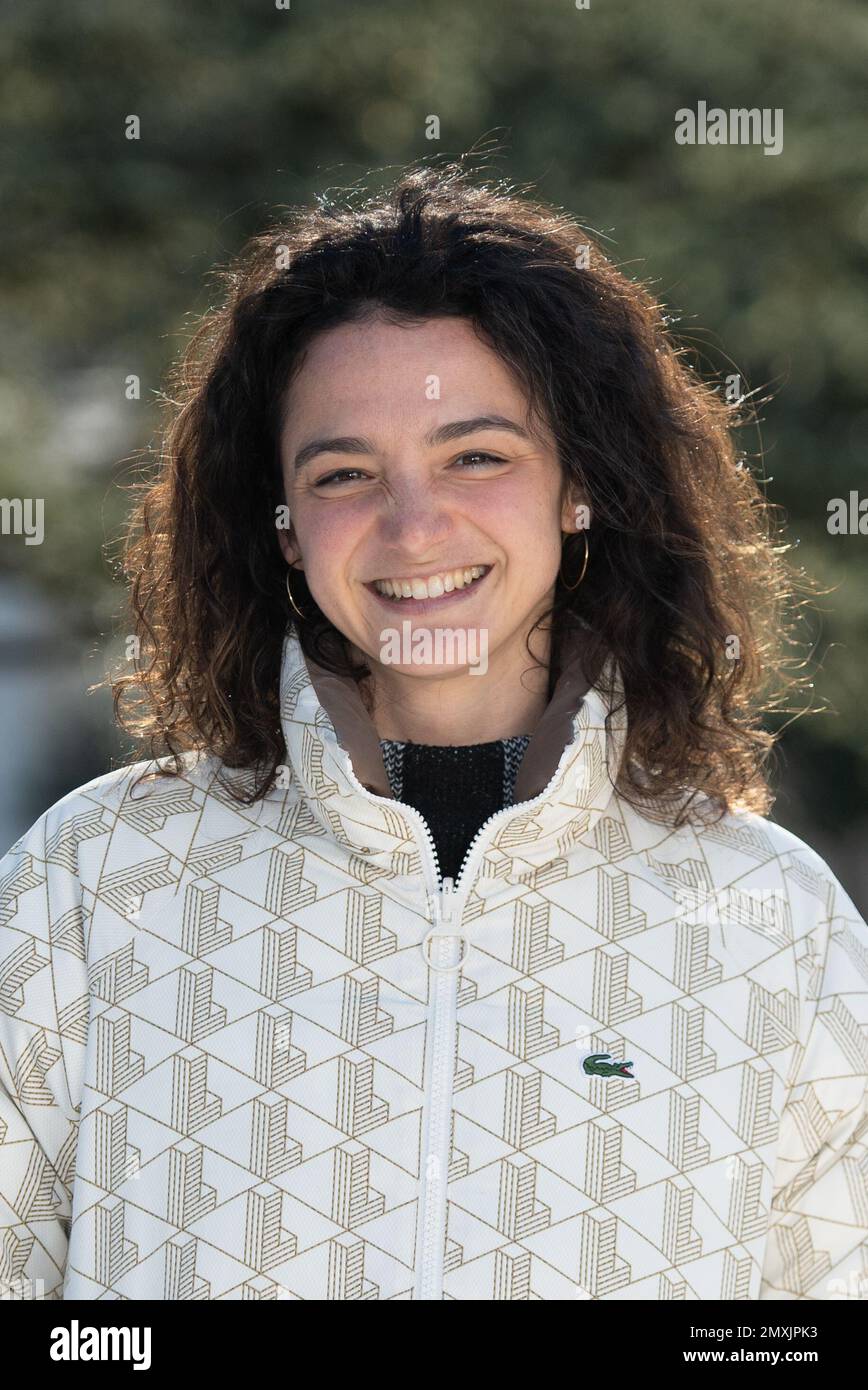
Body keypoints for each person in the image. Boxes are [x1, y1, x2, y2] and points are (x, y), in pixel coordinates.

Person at [1, 161, 866, 1302]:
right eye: (345, 472)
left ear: (578, 487)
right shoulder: (94, 881)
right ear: (286, 527)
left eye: (477, 456)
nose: (414, 526)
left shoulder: (771, 920)